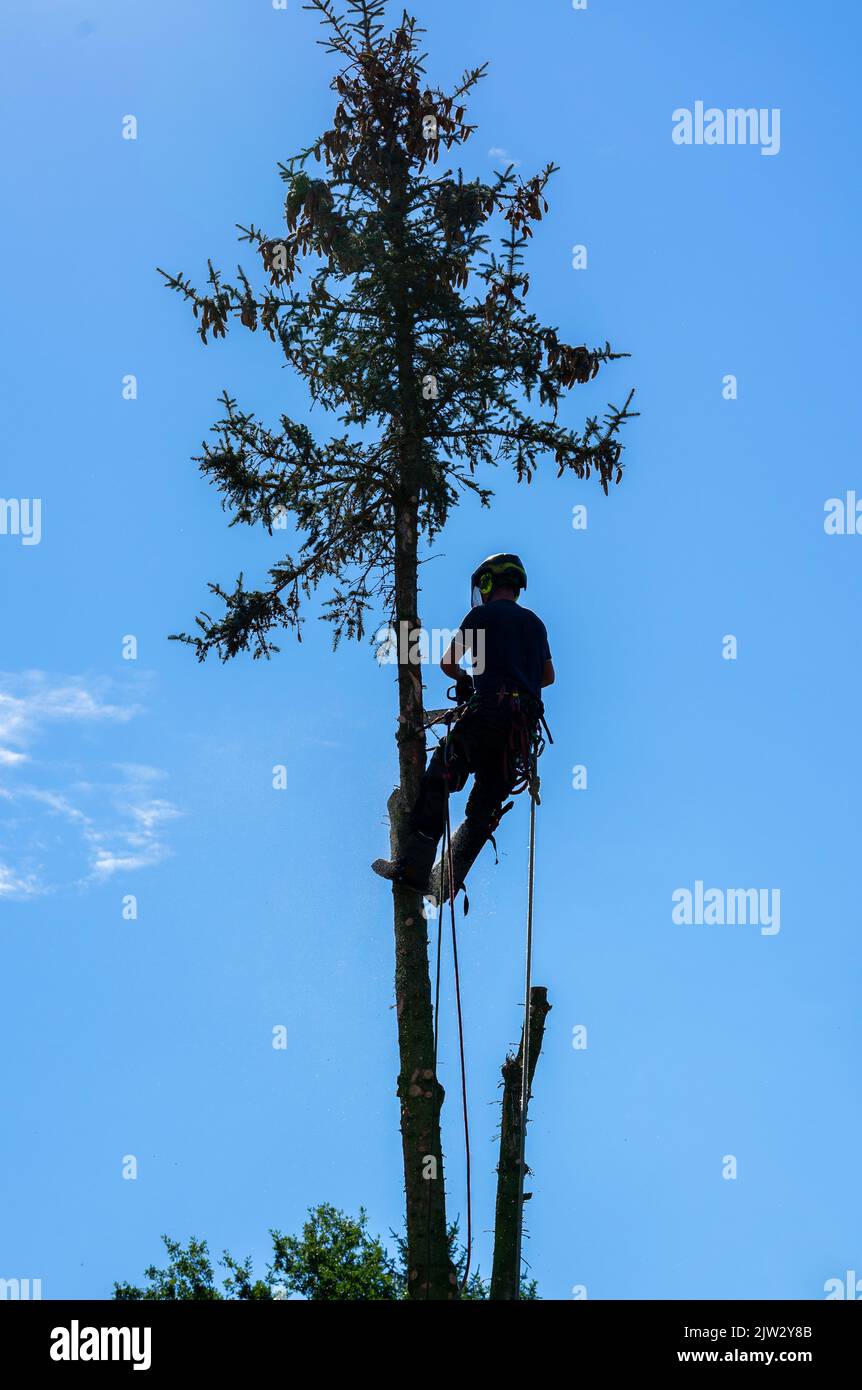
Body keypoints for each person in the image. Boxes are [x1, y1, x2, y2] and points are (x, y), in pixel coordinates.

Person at [372, 553, 554, 896]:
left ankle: (414, 867)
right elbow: (548, 676)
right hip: (517, 737)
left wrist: (470, 680)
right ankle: (446, 882)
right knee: (483, 810)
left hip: (486, 718)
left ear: (486, 583)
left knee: (440, 776)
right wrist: (516, 681)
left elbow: (448, 663)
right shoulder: (535, 624)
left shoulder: (480, 616)